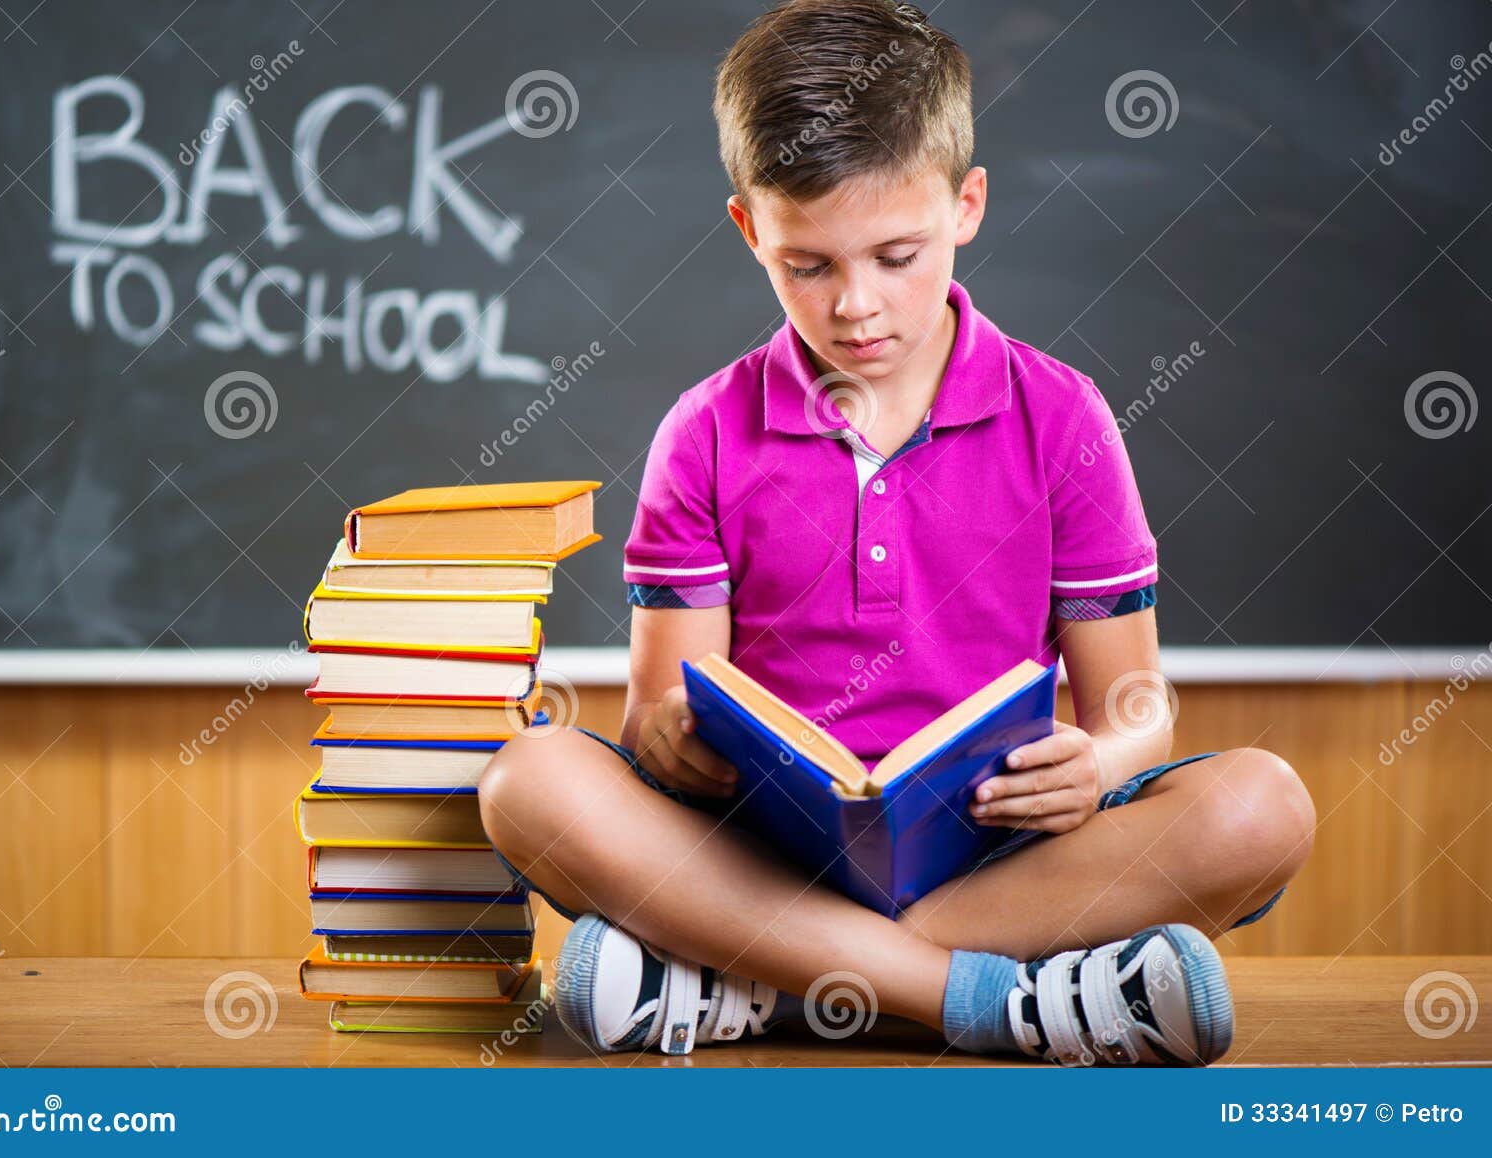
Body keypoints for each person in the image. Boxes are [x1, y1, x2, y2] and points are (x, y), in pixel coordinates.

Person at [479, 0, 1316, 1065]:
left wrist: (1097, 765)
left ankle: (761, 982)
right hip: (761, 859)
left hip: (1000, 861)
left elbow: (1134, 709)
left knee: (1259, 809)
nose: (856, 307)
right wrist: (673, 747)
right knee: (527, 782)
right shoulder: (704, 432)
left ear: (966, 205)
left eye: (896, 254)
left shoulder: (1062, 420)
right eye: (808, 265)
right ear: (749, 230)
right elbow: (655, 712)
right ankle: (1008, 1005)